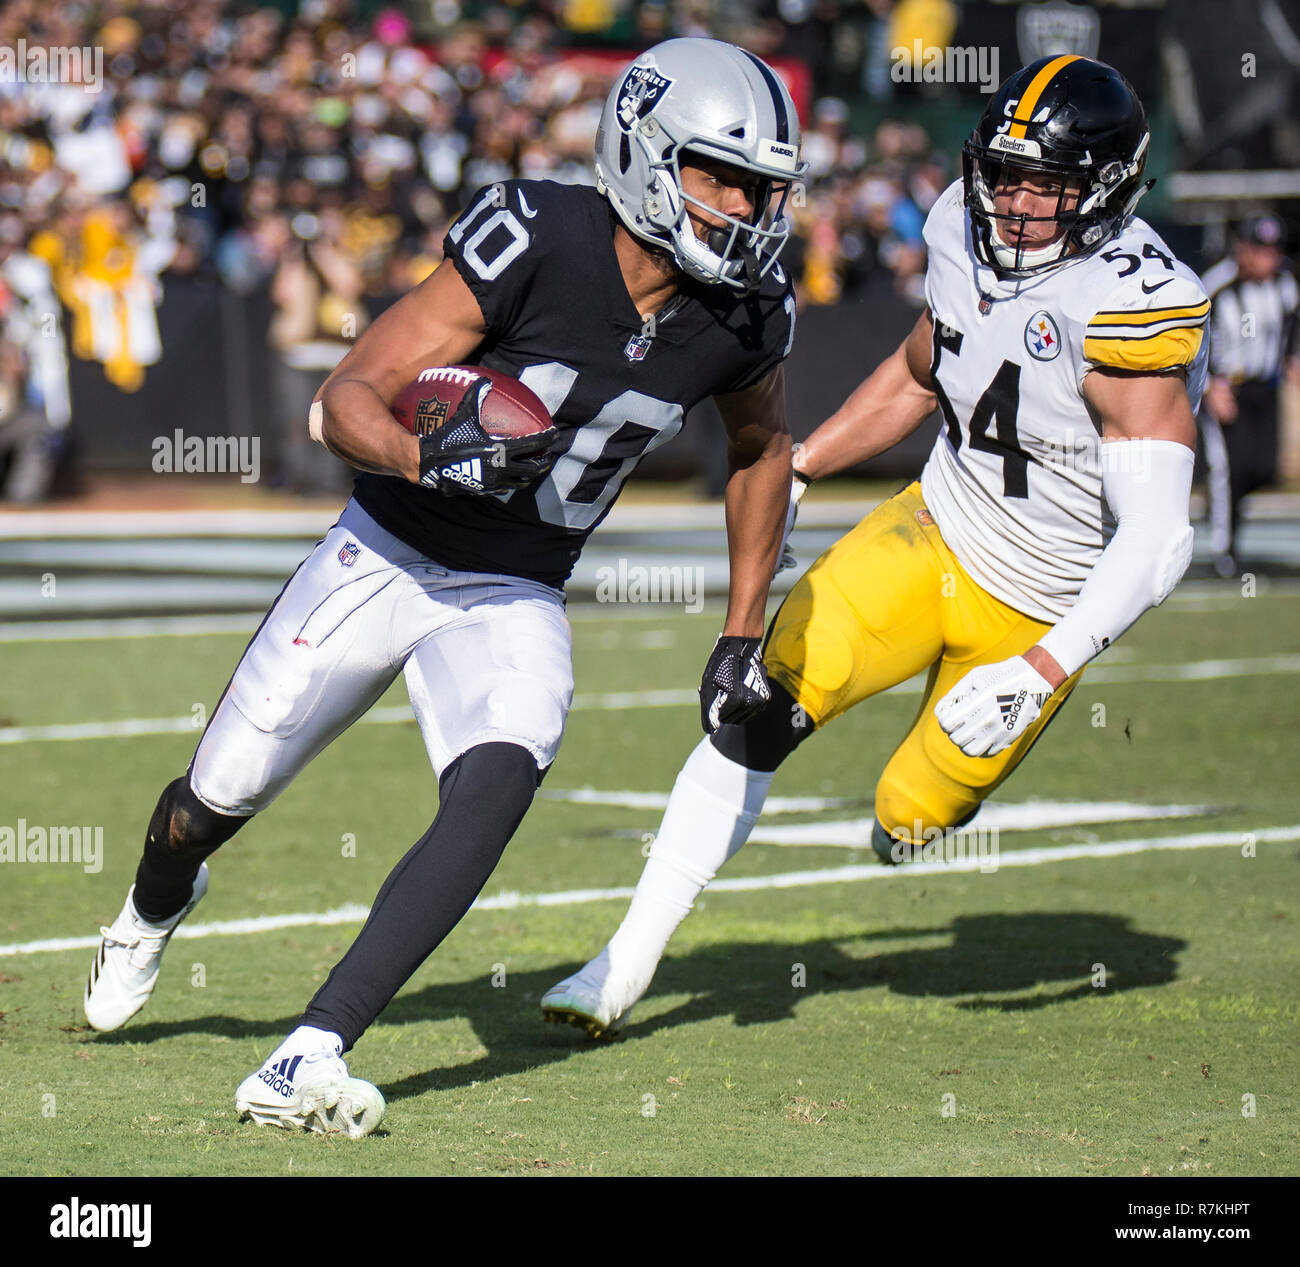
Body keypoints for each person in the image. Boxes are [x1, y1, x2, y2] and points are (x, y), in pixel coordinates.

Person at [82, 37, 806, 1137]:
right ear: (646, 155)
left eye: (764, 185)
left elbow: (761, 447)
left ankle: (307, 1051)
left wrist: (741, 628)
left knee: (507, 765)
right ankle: (149, 907)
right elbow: (345, 397)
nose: (748, 207)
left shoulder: (747, 310)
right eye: (724, 176)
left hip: (515, 584)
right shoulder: (539, 236)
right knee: (207, 805)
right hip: (386, 546)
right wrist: (429, 456)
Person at [541, 54, 1211, 1039]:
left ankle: (916, 820)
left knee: (911, 812)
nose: (1014, 204)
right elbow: (917, 372)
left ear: (1105, 192)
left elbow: (1159, 538)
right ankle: (620, 964)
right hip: (931, 527)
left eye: (1045, 186)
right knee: (756, 703)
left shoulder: (1130, 298)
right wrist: (803, 464)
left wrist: (1042, 665)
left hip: (1040, 604)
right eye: (1004, 175)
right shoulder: (954, 226)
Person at [1199, 214, 1300, 577]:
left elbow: (1291, 325)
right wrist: (1210, 385)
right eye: (1260, 251)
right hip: (1229, 388)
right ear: (1242, 250)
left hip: (1264, 387)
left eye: (1273, 252)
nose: (1268, 260)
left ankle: (1224, 520)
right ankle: (1224, 554)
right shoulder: (1217, 286)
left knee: (1263, 468)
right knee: (1229, 471)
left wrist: (1291, 360)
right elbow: (1192, 339)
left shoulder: (1283, 284)